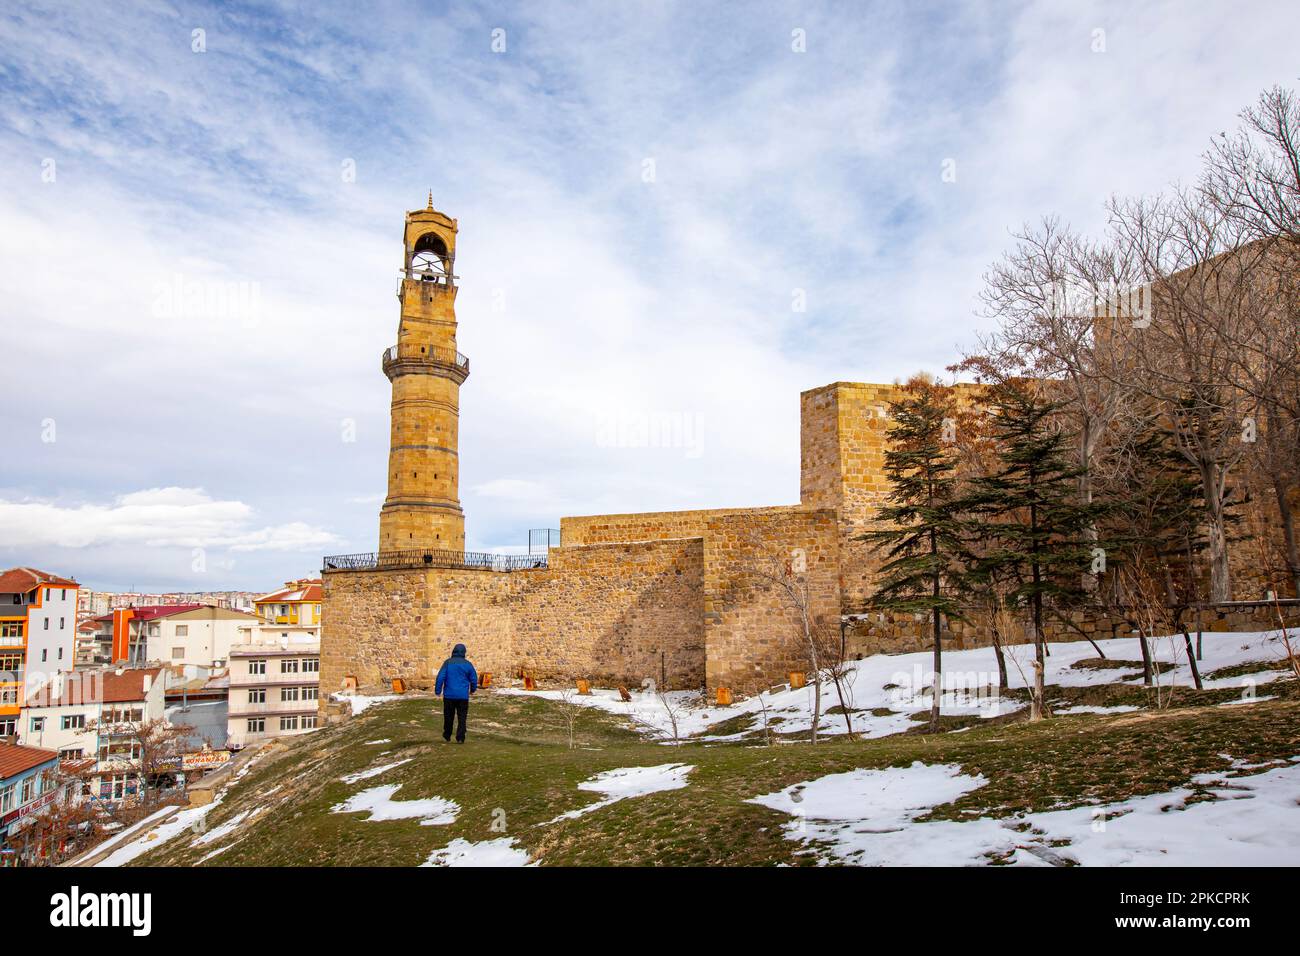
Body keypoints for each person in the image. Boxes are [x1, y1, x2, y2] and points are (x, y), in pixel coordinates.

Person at [434, 642, 478, 743]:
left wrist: (438, 690)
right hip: (463, 696)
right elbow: (473, 678)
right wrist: (473, 690)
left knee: (448, 716)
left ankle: (447, 735)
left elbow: (440, 677)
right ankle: (460, 737)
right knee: (462, 717)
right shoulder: (468, 664)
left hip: (449, 695)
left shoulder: (447, 663)